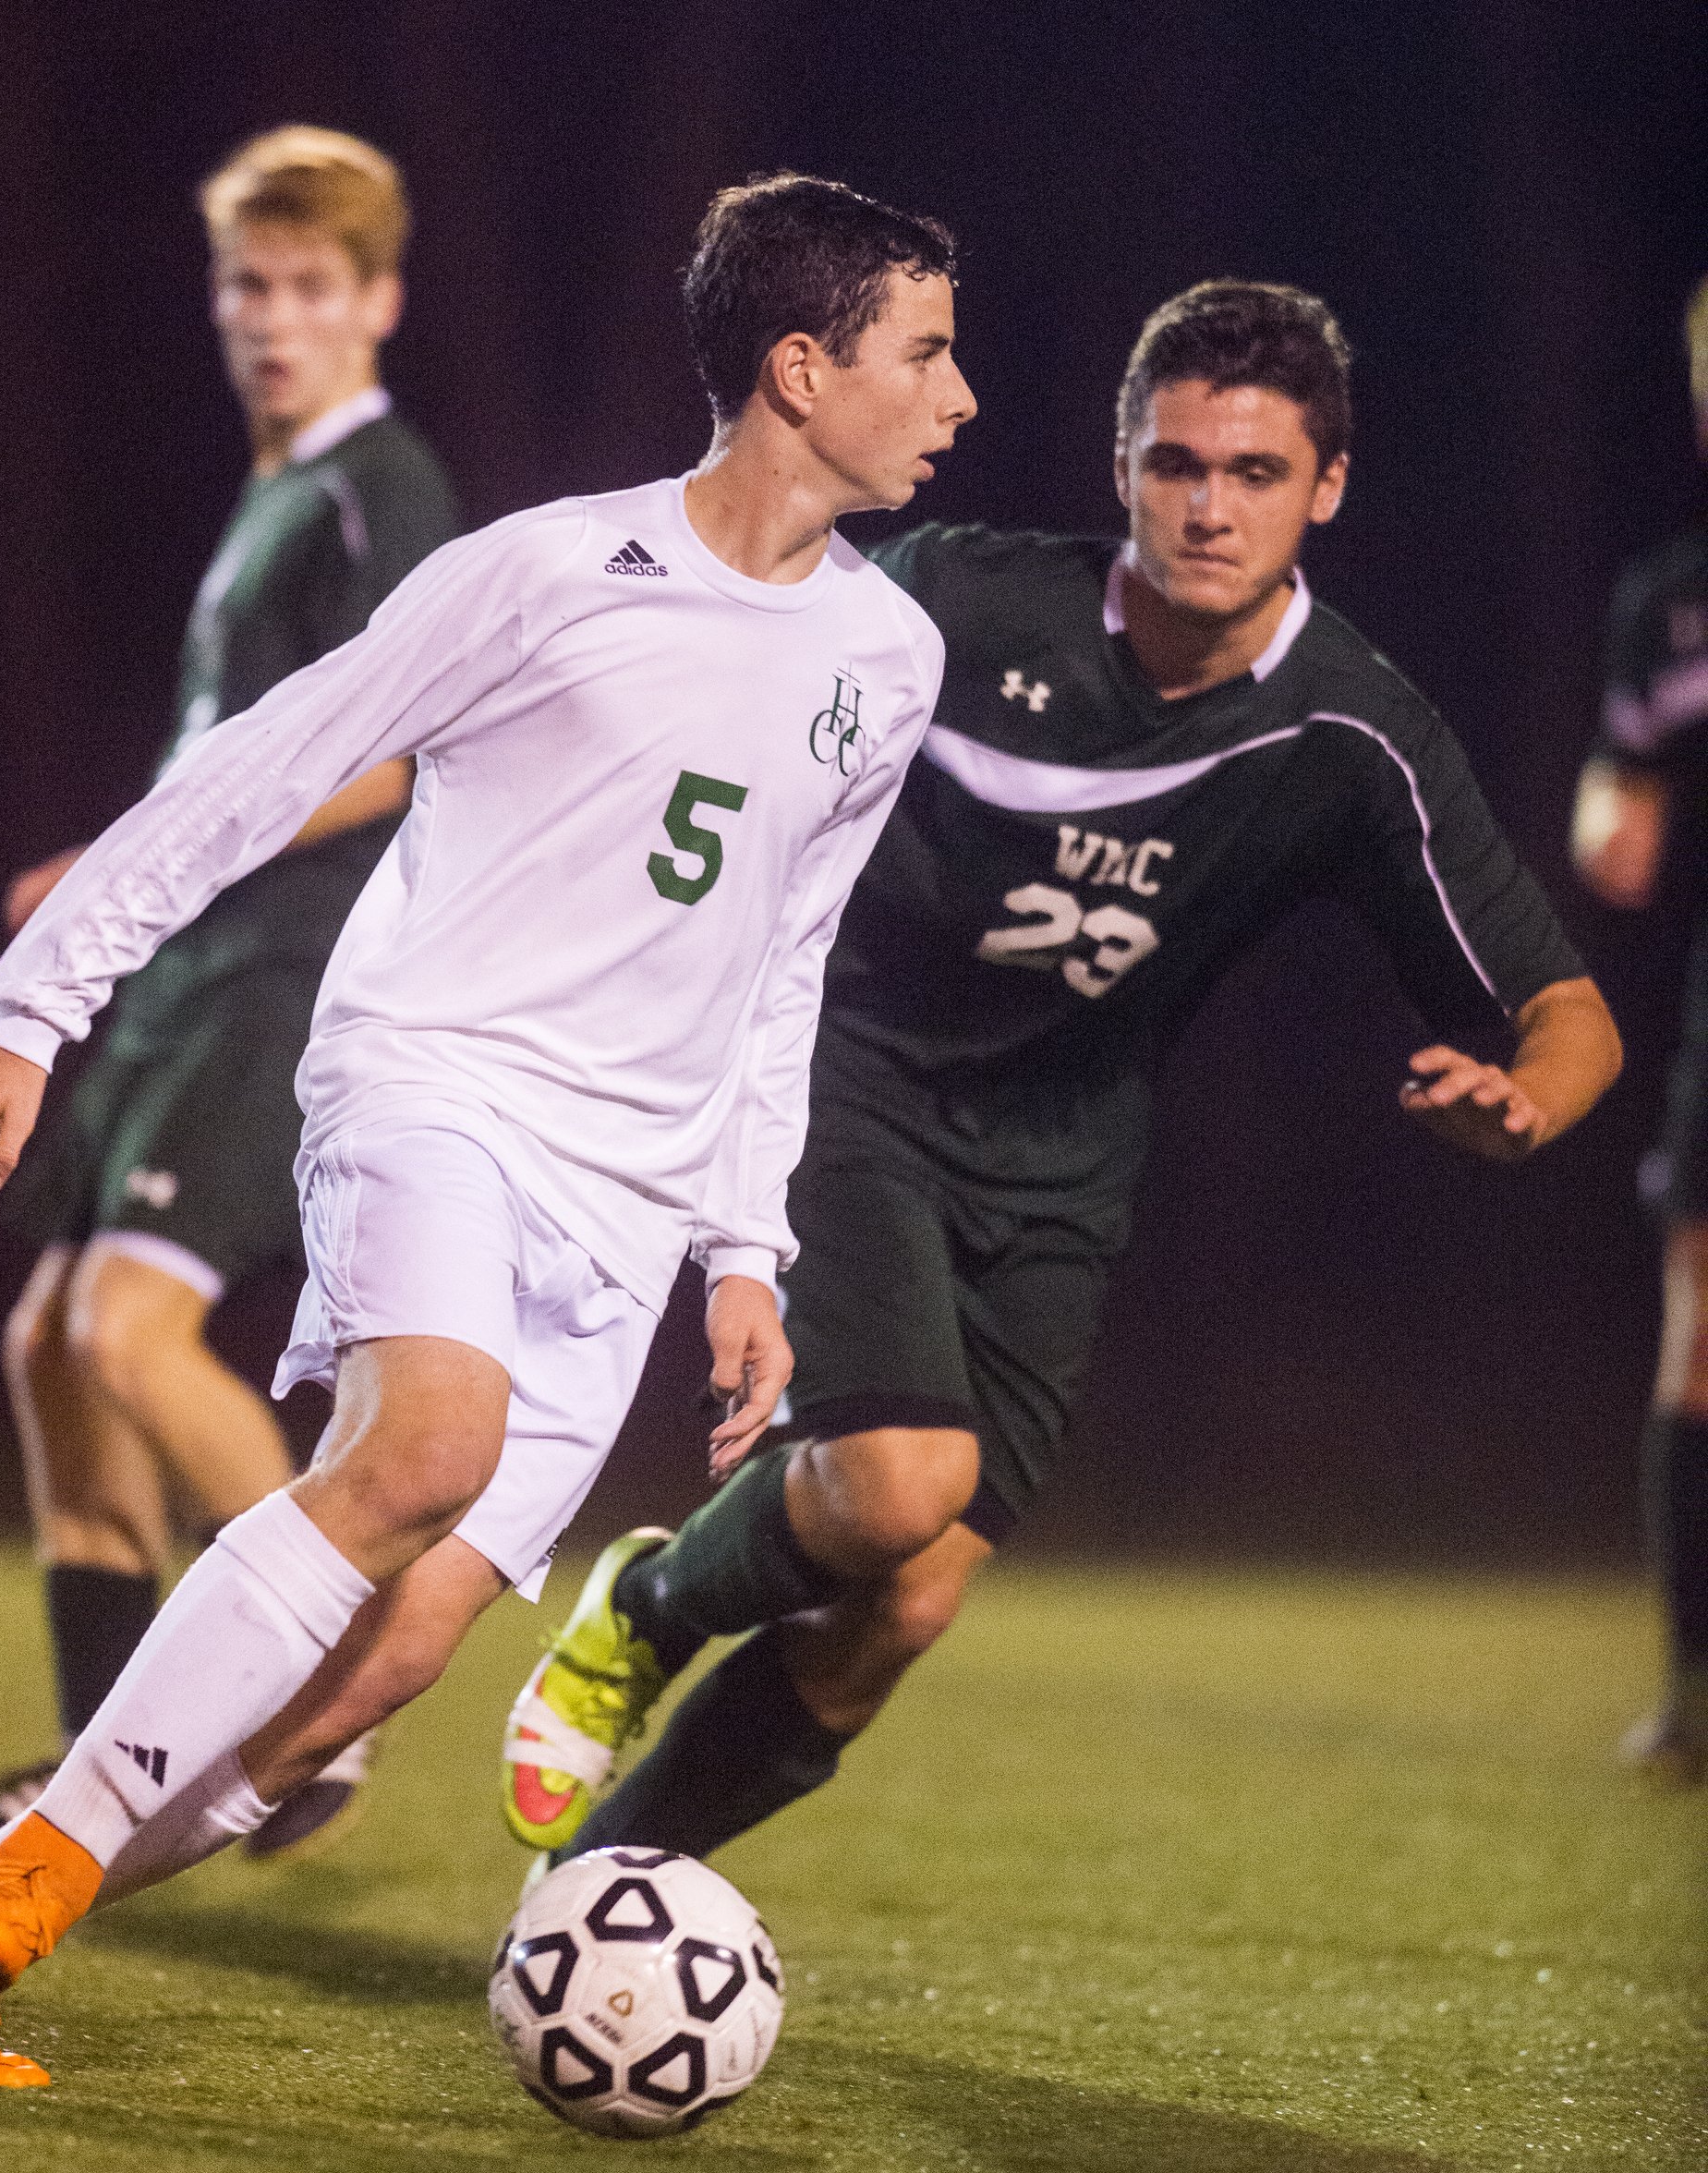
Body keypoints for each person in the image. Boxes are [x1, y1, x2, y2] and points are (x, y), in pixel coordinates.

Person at [0, 172, 971, 2089]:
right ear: (801, 367)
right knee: (420, 1442)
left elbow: (784, 965)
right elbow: (256, 770)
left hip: (628, 1203)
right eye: (925, 351)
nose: (958, 395)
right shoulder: (539, 572)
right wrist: (35, 1013)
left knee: (381, 1669)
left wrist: (745, 1248)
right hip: (432, 1076)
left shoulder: (888, 659)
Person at [503, 279, 1623, 1869]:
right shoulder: (959, 604)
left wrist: (1528, 1111)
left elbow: (1569, 1014)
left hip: (1061, 1170)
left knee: (908, 1605)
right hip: (850, 1083)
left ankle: (597, 1889)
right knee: (898, 1485)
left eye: (1255, 475)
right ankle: (657, 1600)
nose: (1211, 509)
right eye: (1177, 465)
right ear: (1121, 468)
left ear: (1330, 488)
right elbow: (727, 671)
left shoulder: (1350, 735)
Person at [0, 127, 460, 1862]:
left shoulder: (387, 487)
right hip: (189, 966)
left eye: (312, 287)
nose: (275, 319)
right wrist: (117, 871)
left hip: (284, 973)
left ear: (379, 300)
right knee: (49, 1345)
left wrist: (176, 854)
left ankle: (338, 1689)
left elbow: (390, 750)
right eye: (249, 284)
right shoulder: (277, 485)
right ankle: (94, 1755)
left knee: (126, 1334)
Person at [1569, 274, 1708, 1788]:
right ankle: (1694, 1695)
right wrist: (1612, 813)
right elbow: (1623, 810)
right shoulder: (1668, 599)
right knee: (1700, 1334)